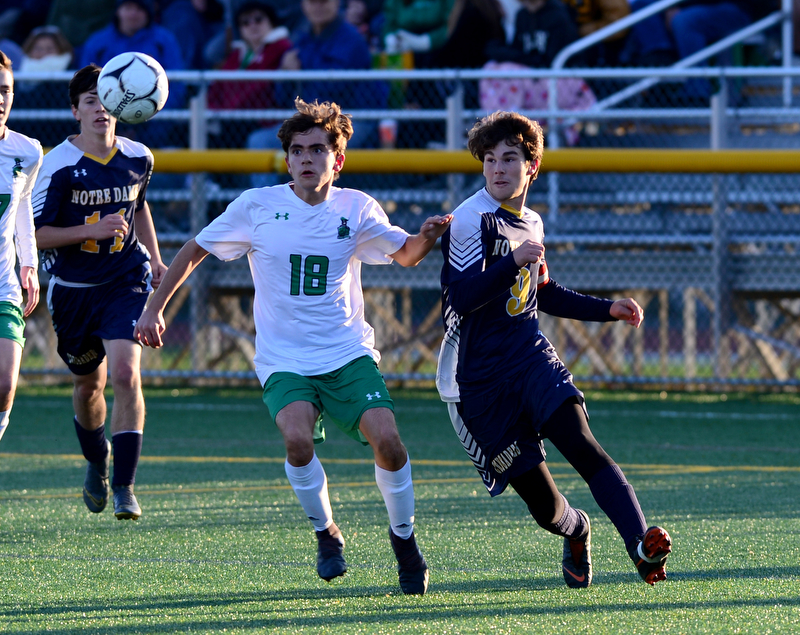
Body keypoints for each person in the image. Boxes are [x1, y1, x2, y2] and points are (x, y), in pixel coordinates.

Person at [135, 97, 452, 594]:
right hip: (284, 358)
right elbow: (195, 248)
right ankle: (327, 533)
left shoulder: (357, 207)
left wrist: (427, 235)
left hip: (347, 352)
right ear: (287, 160)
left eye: (318, 149)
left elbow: (407, 254)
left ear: (337, 159)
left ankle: (404, 541)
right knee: (297, 440)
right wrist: (154, 307)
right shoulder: (257, 206)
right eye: (298, 150)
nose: (307, 158)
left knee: (388, 443)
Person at [437, 110, 672, 588]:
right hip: (478, 382)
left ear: (532, 167)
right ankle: (577, 530)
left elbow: (540, 291)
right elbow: (460, 298)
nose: (498, 168)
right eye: (489, 159)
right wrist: (511, 265)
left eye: (510, 158)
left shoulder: (532, 223)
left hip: (530, 358)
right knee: (545, 508)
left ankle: (638, 545)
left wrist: (609, 308)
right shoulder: (468, 220)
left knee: (583, 445)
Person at [32, 64, 167, 521]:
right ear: (75, 111)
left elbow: (139, 206)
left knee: (127, 374)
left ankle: (127, 487)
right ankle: (97, 463)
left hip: (125, 279)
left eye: (107, 100)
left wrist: (155, 256)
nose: (100, 109)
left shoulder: (139, 157)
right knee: (89, 384)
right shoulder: (57, 166)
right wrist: (90, 227)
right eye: (90, 100)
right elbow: (34, 235)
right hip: (73, 291)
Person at [246, 0, 387, 185]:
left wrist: (299, 71)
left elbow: (331, 91)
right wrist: (285, 72)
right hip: (312, 122)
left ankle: (317, 210)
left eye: (324, 1)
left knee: (318, 146)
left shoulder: (351, 39)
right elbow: (282, 96)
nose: (318, 6)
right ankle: (270, 211)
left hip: (351, 119)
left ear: (337, 3)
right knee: (259, 141)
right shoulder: (303, 38)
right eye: (312, 2)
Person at [0, 50, 43, 445]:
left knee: (3, 387)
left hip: (4, 289)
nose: (0, 99)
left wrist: (29, 263)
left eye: (5, 90)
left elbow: (23, 207)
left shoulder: (27, 151)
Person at [207, 0, 291, 146]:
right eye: (245, 22)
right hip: (232, 120)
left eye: (258, 19)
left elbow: (259, 87)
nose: (252, 25)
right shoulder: (238, 53)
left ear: (271, 22)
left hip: (263, 121)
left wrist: (228, 110)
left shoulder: (282, 48)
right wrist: (215, 111)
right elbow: (217, 87)